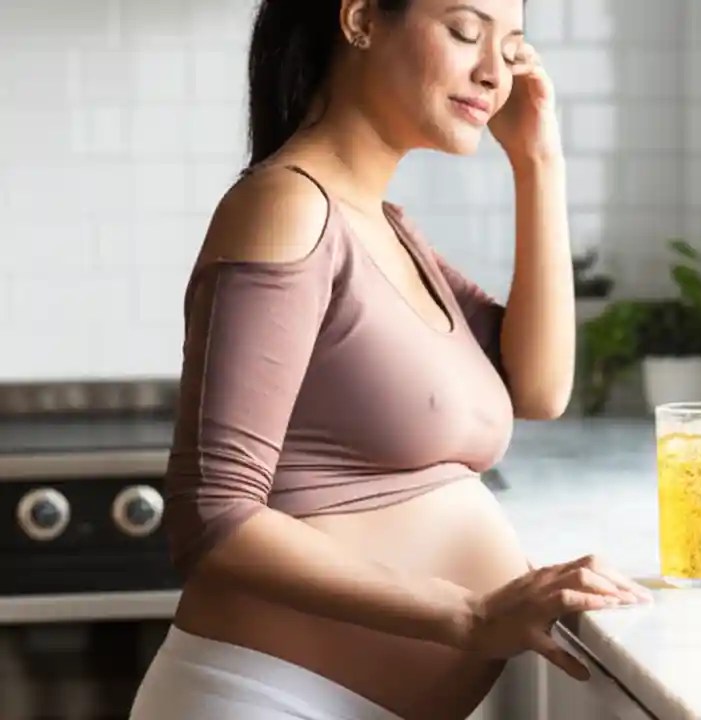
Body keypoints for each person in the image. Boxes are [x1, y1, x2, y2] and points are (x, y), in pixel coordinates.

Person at [128, 1, 652, 718]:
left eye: (514, 47)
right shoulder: (285, 206)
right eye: (466, 33)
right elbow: (213, 517)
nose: (494, 71)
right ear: (362, 19)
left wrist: (538, 161)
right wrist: (467, 616)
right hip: (266, 699)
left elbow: (540, 386)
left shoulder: (385, 226)